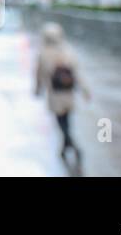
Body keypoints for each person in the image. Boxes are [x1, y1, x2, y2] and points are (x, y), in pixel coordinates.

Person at [34, 22, 89, 165]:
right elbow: (76, 73)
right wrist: (85, 90)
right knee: (66, 121)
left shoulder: (43, 53)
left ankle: (72, 145)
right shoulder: (67, 50)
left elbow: (39, 74)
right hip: (68, 93)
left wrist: (38, 88)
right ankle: (65, 147)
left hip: (55, 94)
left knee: (61, 122)